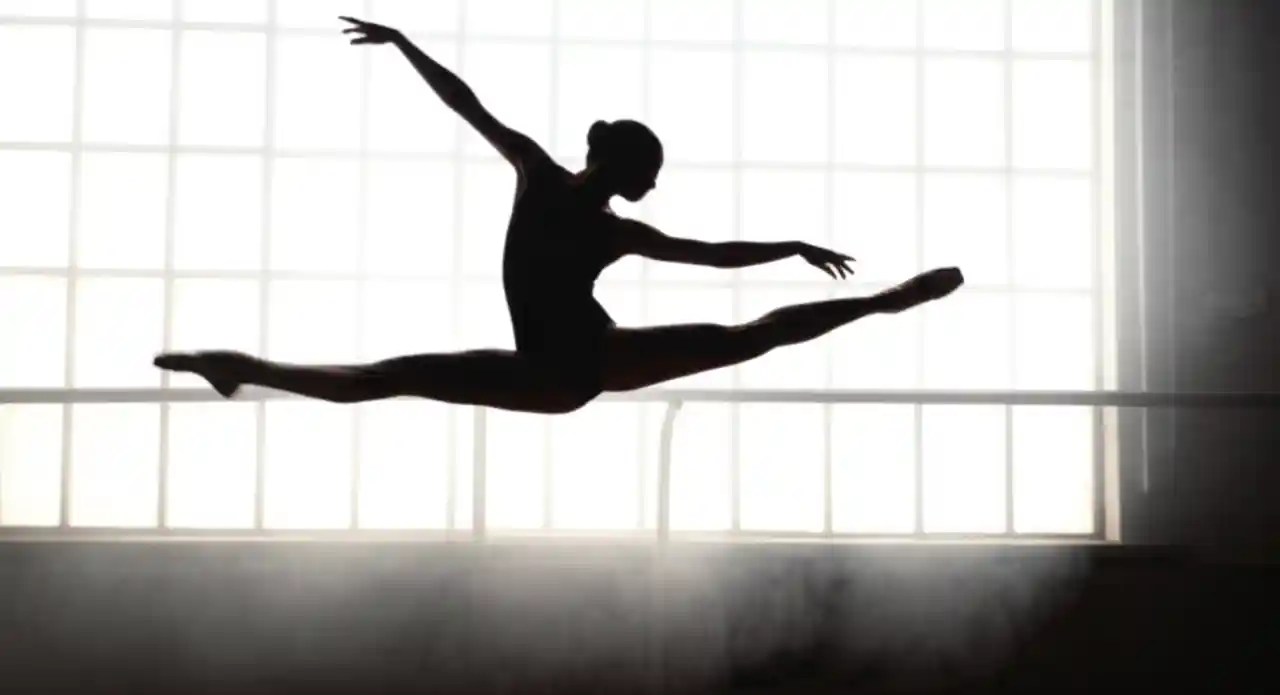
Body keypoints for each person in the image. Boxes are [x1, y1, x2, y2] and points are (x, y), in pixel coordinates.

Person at [154, 16, 964, 414]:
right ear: (631, 170)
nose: (653, 188)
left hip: (570, 363)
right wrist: (404, 46)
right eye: (652, 175)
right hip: (570, 367)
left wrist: (789, 246)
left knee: (384, 378)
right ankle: (240, 365)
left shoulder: (546, 182)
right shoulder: (594, 214)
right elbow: (466, 103)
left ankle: (890, 299)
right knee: (751, 334)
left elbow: (714, 253)